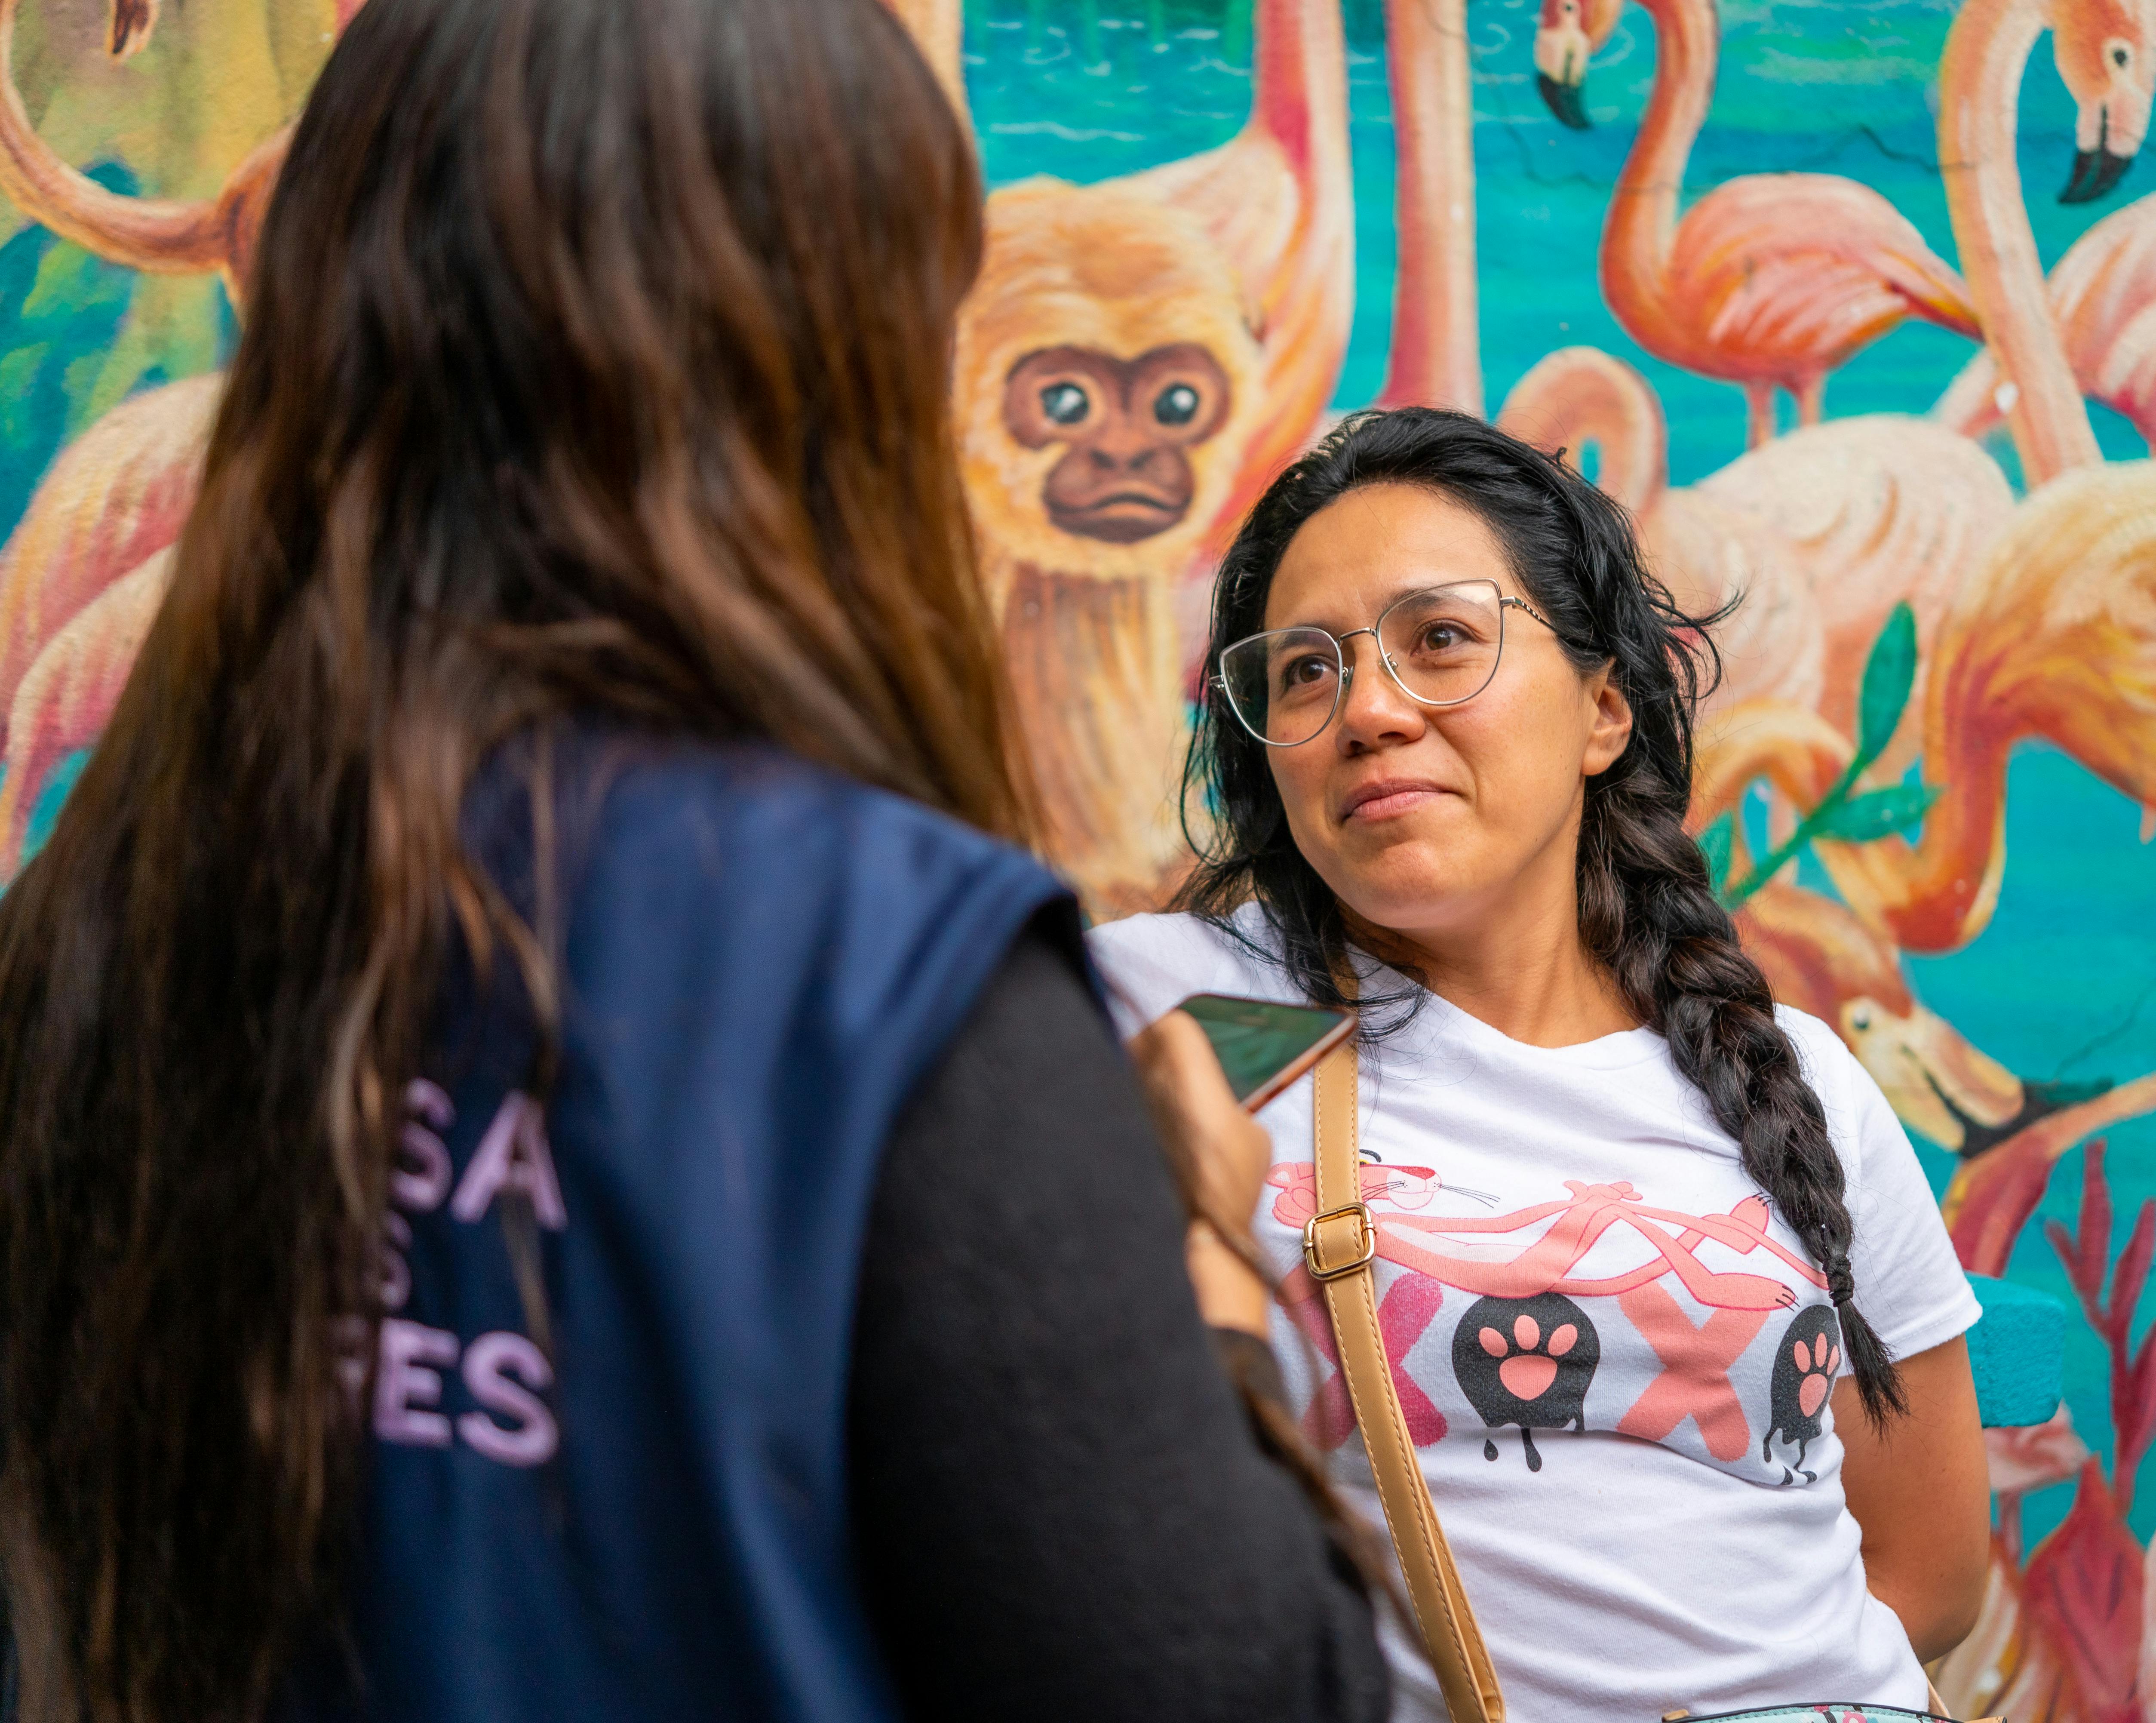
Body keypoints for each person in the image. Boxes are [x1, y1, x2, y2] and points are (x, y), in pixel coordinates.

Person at [0, 3, 1392, 1720]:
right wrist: (1199, 1277)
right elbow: (1223, 1686)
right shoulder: (882, 973)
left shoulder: (96, 917)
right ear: (857, 358)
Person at [1089, 408, 1992, 1722]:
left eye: (1441, 640)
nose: (1370, 713)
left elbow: (1932, 1570)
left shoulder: (1781, 1075)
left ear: (1603, 710)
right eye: (1303, 674)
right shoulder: (1221, 1008)